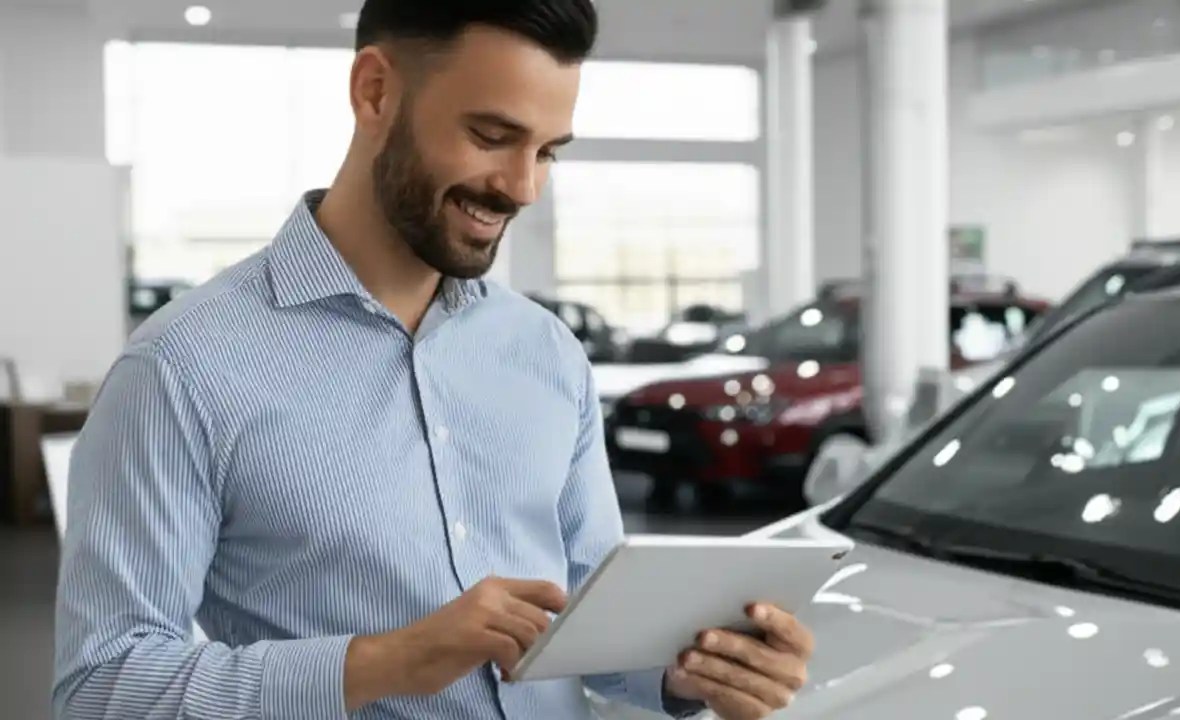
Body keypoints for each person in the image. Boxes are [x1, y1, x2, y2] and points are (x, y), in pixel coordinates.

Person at [52, 1, 816, 719]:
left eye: (546, 152)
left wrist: (693, 670)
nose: (521, 187)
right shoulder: (181, 368)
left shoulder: (547, 353)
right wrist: (384, 662)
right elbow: (102, 685)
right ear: (376, 91)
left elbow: (586, 615)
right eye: (491, 137)